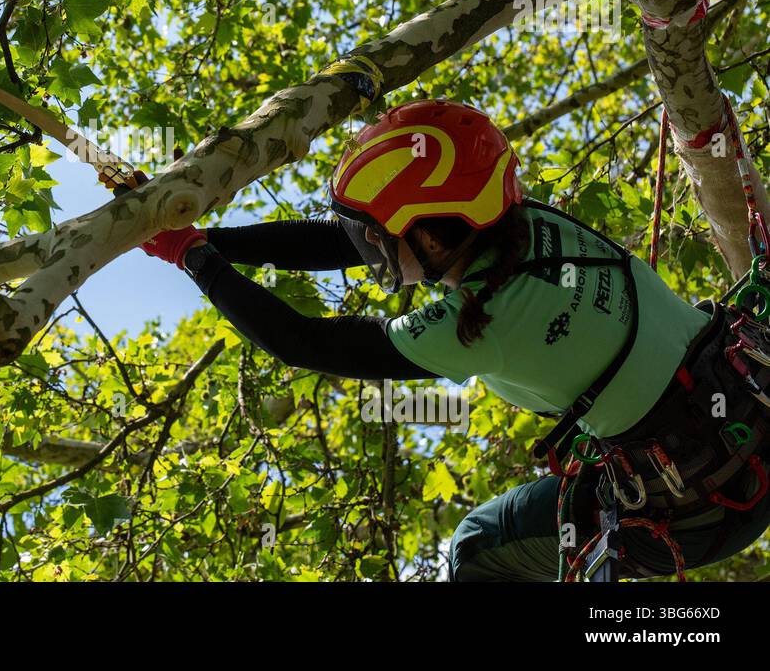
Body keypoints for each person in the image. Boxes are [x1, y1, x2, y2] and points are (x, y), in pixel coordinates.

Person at [140, 98, 770, 580]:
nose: (370, 255)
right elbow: (341, 242)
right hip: (750, 424)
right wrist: (208, 240)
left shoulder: (475, 325)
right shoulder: (534, 221)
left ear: (434, 239)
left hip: (702, 511)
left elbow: (306, 343)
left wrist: (196, 262)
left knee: (474, 548)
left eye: (379, 241)